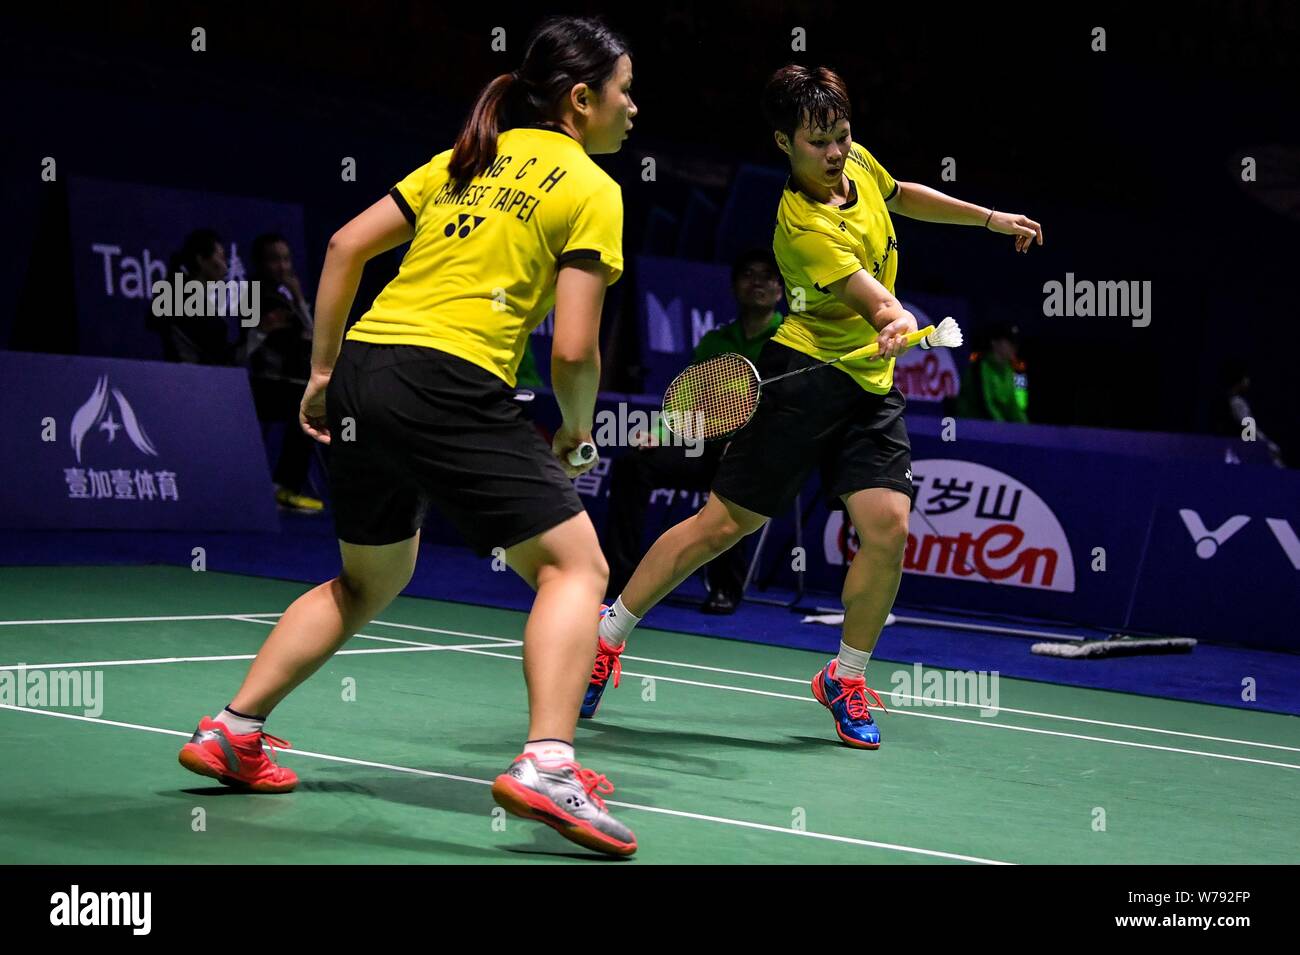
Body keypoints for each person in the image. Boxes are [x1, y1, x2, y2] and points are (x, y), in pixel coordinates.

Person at [177, 16, 640, 856]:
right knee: (579, 566)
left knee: (370, 578)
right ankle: (547, 760)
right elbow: (575, 347)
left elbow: (347, 245)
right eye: (624, 90)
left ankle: (234, 729)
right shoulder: (592, 189)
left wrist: (322, 375)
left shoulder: (467, 158)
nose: (633, 109)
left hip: (368, 370)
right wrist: (575, 428)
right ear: (582, 99)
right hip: (450, 378)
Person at [581, 64, 1042, 750]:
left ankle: (846, 676)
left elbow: (899, 193)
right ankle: (605, 635)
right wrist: (892, 314)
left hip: (869, 384)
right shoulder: (800, 227)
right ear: (783, 144)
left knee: (888, 528)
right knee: (721, 525)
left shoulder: (852, 159)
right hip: (804, 376)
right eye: (818, 141)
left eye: (841, 135)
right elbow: (871, 296)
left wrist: (986, 219)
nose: (835, 152)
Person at [602, 248, 784, 618]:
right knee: (633, 463)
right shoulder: (715, 342)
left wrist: (749, 438)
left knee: (736, 475)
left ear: (781, 290)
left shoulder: (789, 342)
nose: (757, 282)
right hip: (702, 443)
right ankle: (621, 579)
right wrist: (658, 431)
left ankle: (724, 587)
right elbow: (684, 397)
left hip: (752, 453)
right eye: (748, 273)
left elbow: (791, 409)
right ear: (735, 286)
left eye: (768, 276)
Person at [244, 233, 325, 512]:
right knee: (303, 408)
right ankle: (284, 487)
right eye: (273, 259)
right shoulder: (250, 294)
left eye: (286, 259)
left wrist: (300, 301)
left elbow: (318, 340)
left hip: (295, 383)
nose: (282, 266)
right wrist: (262, 330)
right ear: (260, 264)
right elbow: (241, 349)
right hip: (261, 386)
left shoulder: (294, 298)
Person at [954, 322, 1029, 422]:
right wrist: (1004, 430)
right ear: (994, 343)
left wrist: (1027, 430)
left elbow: (1013, 406)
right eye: (1009, 342)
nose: (1014, 347)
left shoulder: (1008, 370)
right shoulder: (980, 368)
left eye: (1015, 343)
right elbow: (985, 405)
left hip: (994, 430)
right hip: (970, 428)